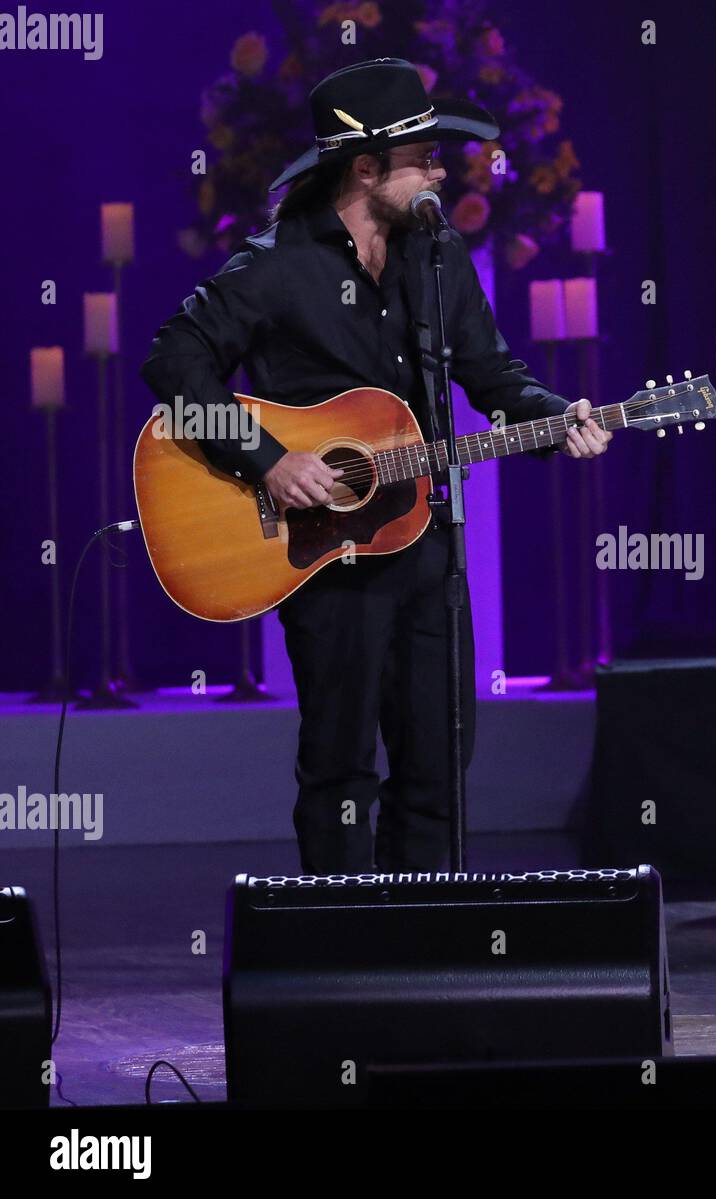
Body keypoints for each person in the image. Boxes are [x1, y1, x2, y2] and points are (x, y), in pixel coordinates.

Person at [141, 58, 611, 874]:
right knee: (340, 764)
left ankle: (423, 948)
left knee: (438, 761)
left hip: (425, 541)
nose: (443, 169)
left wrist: (557, 417)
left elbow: (494, 377)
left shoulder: (437, 255)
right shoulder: (276, 263)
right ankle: (340, 953)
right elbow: (172, 361)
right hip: (323, 555)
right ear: (365, 168)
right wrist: (272, 460)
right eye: (426, 156)